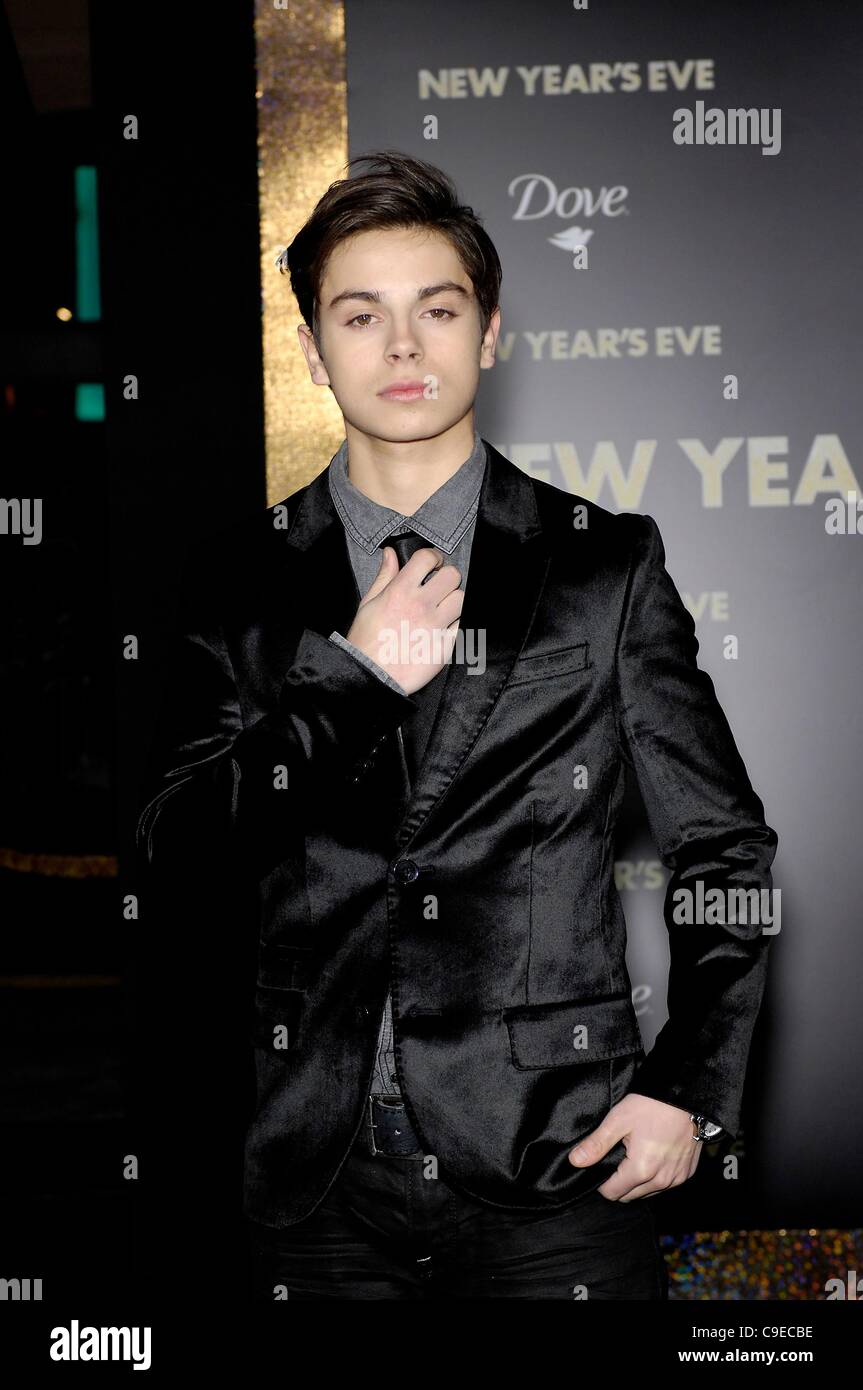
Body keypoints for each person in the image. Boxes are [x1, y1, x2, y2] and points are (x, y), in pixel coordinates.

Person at [135, 151, 778, 1300]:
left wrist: (687, 1087)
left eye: (436, 310)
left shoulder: (601, 563)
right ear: (310, 348)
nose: (401, 347)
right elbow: (173, 854)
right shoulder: (232, 576)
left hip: (561, 1160)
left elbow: (724, 853)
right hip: (314, 1175)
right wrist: (347, 685)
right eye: (359, 314)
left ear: (488, 334)